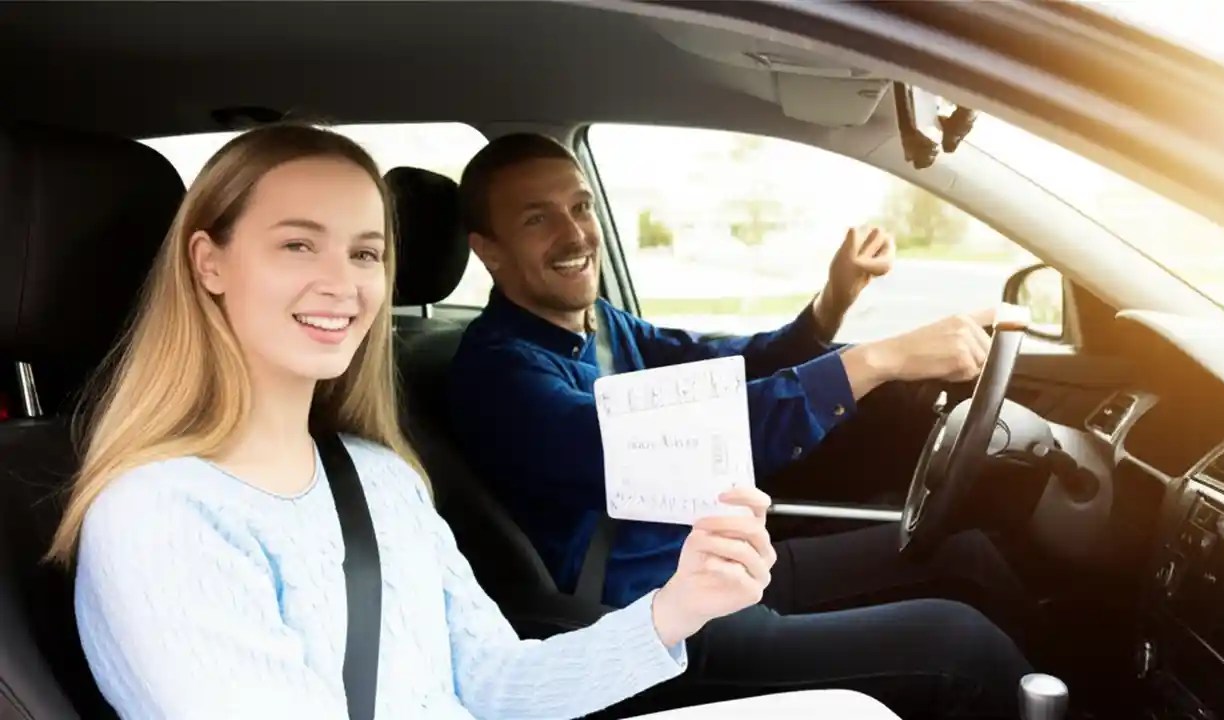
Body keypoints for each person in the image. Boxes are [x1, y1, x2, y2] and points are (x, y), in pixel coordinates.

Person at [46, 123, 786, 720]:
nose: (341, 283)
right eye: (298, 244)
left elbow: (495, 682)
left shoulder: (380, 475)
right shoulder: (159, 513)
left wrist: (677, 606)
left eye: (364, 253)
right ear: (209, 262)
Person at [447, 133, 1033, 719]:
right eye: (537, 219)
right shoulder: (498, 376)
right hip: (654, 622)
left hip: (711, 565)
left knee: (965, 554)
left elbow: (726, 369)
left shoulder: (599, 324)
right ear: (488, 250)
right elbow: (686, 442)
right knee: (960, 649)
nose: (574, 233)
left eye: (580, 207)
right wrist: (879, 359)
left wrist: (832, 302)